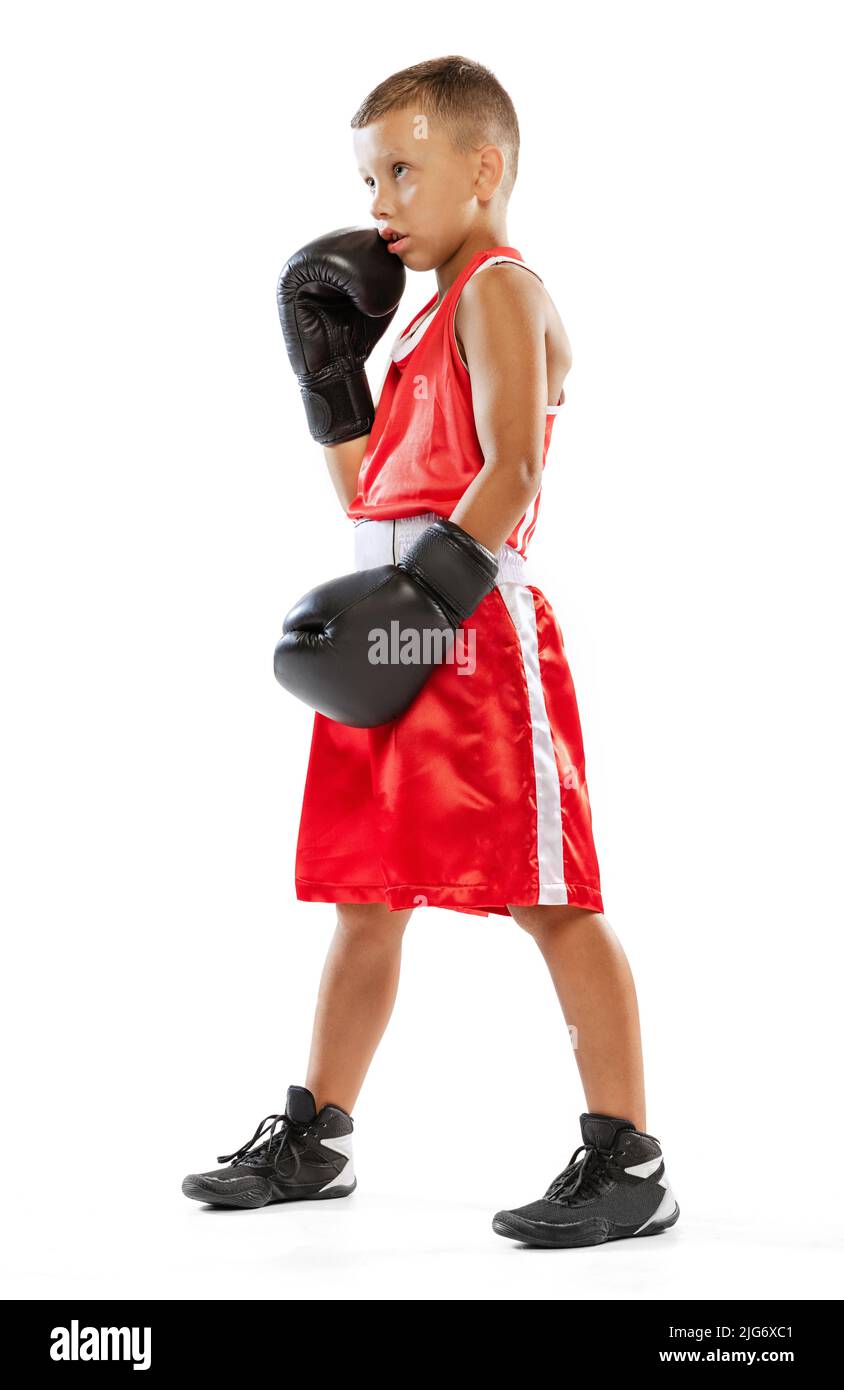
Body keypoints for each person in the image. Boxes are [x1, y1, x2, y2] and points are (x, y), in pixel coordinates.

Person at [182, 54, 680, 1249]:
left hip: (468, 627)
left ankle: (628, 1157)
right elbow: (373, 496)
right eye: (368, 177)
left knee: (544, 891)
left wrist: (424, 600)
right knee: (363, 892)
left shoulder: (501, 290)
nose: (380, 201)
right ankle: (316, 1132)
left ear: (484, 166)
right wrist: (327, 383)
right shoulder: (417, 325)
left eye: (402, 170)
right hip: (398, 609)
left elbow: (512, 469)